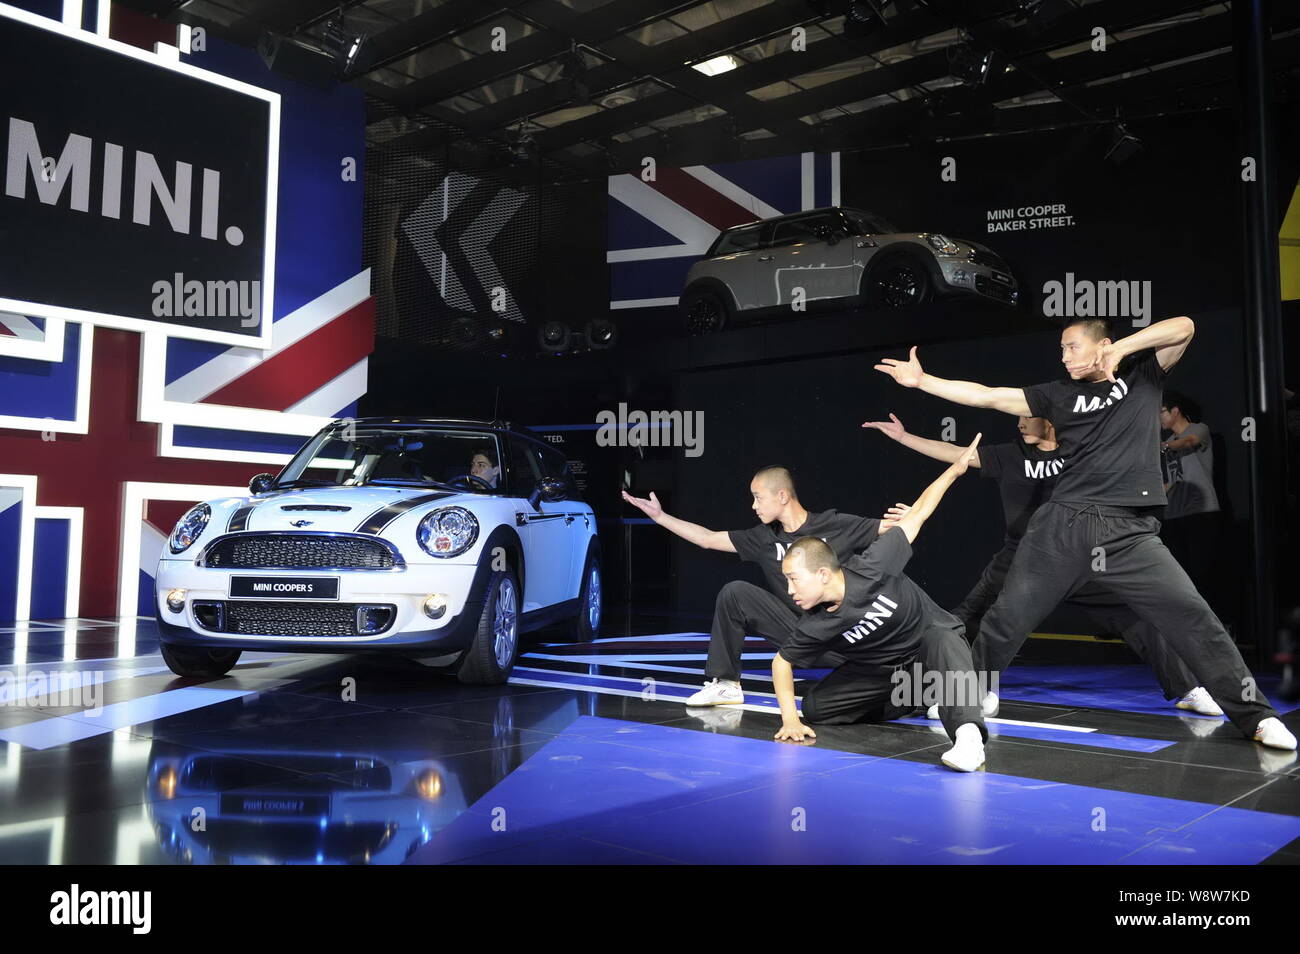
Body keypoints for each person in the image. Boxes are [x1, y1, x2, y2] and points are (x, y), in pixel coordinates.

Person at [873, 315, 1296, 750]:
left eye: (1071, 346)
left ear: (1101, 345)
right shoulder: (1056, 395)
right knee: (1005, 620)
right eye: (1061, 349)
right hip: (1063, 524)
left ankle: (1256, 717)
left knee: (1193, 616)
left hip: (1130, 532)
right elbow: (988, 396)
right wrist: (923, 381)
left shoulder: (1143, 378)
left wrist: (1122, 350)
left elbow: (1185, 327)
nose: (1063, 356)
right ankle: (966, 698)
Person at [862, 411, 1221, 716]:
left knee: (1137, 616)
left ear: (1050, 422)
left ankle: (1188, 689)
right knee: (971, 619)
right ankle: (972, 692)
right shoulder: (1009, 456)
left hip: (1082, 556)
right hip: (1022, 556)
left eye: (1025, 417)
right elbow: (956, 453)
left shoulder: (1081, 453)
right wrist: (904, 436)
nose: (1018, 424)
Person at [772, 435, 988, 772]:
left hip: (926, 648)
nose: (789, 589)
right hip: (881, 672)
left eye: (794, 578)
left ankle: (968, 736)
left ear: (824, 574)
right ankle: (922, 697)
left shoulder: (875, 563)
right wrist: (791, 721)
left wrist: (955, 470)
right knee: (817, 708)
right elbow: (782, 663)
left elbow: (918, 514)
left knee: (943, 635)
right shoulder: (815, 622)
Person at [621, 466, 895, 706]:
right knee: (735, 592)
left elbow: (894, 528)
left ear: (783, 496)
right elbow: (707, 538)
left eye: (758, 497)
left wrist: (910, 515)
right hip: (801, 638)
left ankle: (923, 694)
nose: (754, 506)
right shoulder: (764, 538)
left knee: (889, 667)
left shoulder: (834, 525)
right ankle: (727, 685)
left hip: (843, 640)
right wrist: (660, 517)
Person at [1159, 391, 1221, 602]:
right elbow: (1173, 479)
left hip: (1201, 511)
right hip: (1175, 516)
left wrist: (1163, 447)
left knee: (1204, 574)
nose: (1159, 418)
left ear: (1175, 411)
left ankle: (1220, 623)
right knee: (1180, 577)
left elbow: (1189, 442)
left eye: (1162, 412)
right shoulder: (1168, 441)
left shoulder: (1199, 429)